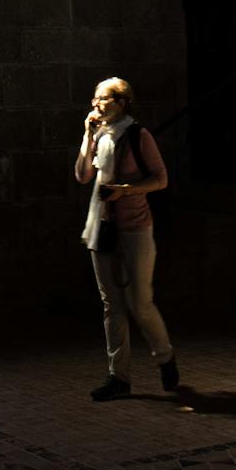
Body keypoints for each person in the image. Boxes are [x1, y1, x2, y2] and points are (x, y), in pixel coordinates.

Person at [75, 75, 179, 401]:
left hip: (135, 226)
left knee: (140, 302)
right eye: (95, 98)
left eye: (103, 98)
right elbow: (82, 175)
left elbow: (161, 179)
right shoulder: (99, 134)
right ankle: (118, 377)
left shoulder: (138, 135)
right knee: (112, 305)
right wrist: (87, 135)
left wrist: (127, 190)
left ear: (121, 103)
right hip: (101, 225)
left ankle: (165, 357)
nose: (96, 103)